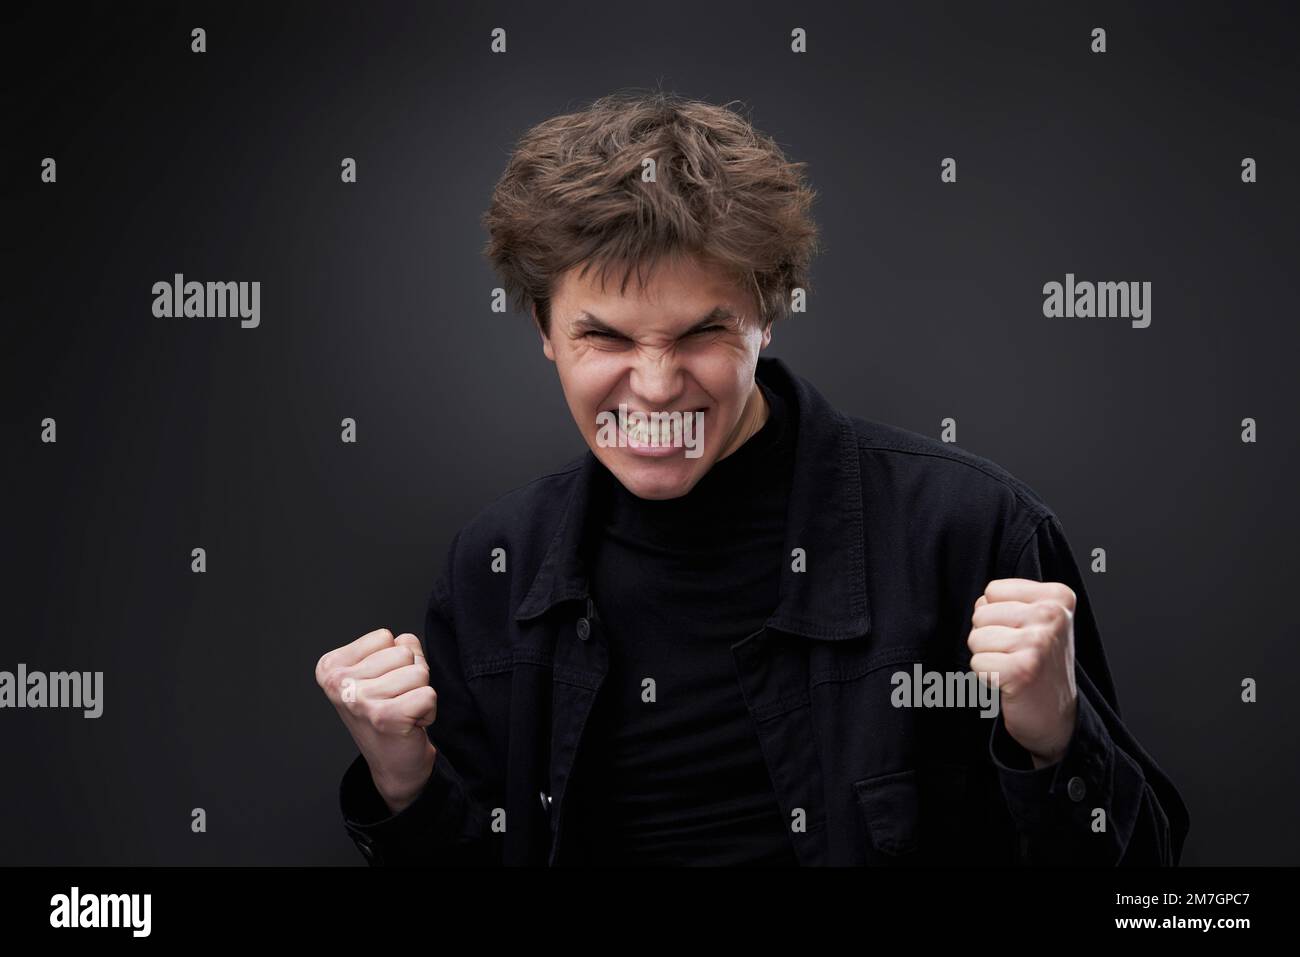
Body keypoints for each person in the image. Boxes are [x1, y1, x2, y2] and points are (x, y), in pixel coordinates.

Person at [314, 90, 1189, 866]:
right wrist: (404, 781)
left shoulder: (972, 532)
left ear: (767, 317)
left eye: (701, 333)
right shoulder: (492, 570)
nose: (655, 385)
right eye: (606, 337)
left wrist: (1055, 740)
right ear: (543, 329)